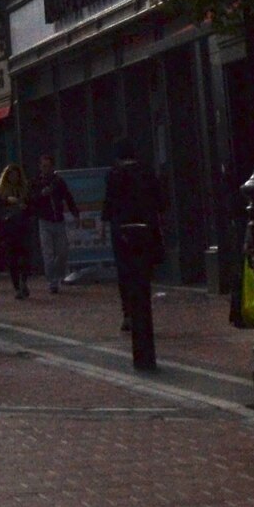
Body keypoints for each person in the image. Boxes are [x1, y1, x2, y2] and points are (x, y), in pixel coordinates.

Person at [102, 141, 165, 370]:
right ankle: (142, 312)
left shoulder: (114, 174)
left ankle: (129, 312)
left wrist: (107, 219)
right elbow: (160, 199)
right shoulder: (146, 172)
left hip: (122, 229)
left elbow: (109, 204)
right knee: (143, 271)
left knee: (125, 270)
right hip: (146, 227)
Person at [30, 153, 75, 294]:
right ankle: (52, 281)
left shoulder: (58, 181)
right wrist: (41, 194)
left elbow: (67, 196)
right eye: (43, 166)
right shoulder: (36, 182)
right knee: (48, 253)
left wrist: (75, 212)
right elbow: (31, 199)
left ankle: (58, 273)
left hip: (58, 220)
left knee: (62, 252)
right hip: (44, 221)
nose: (46, 169)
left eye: (48, 166)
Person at [0, 164, 32, 300]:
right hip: (9, 229)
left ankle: (23, 282)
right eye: (11, 175)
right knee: (13, 258)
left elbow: (31, 205)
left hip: (23, 227)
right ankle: (17, 286)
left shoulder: (25, 190)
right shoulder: (1, 192)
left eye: (16, 175)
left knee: (25, 256)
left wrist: (24, 207)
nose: (14, 177)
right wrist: (7, 201)